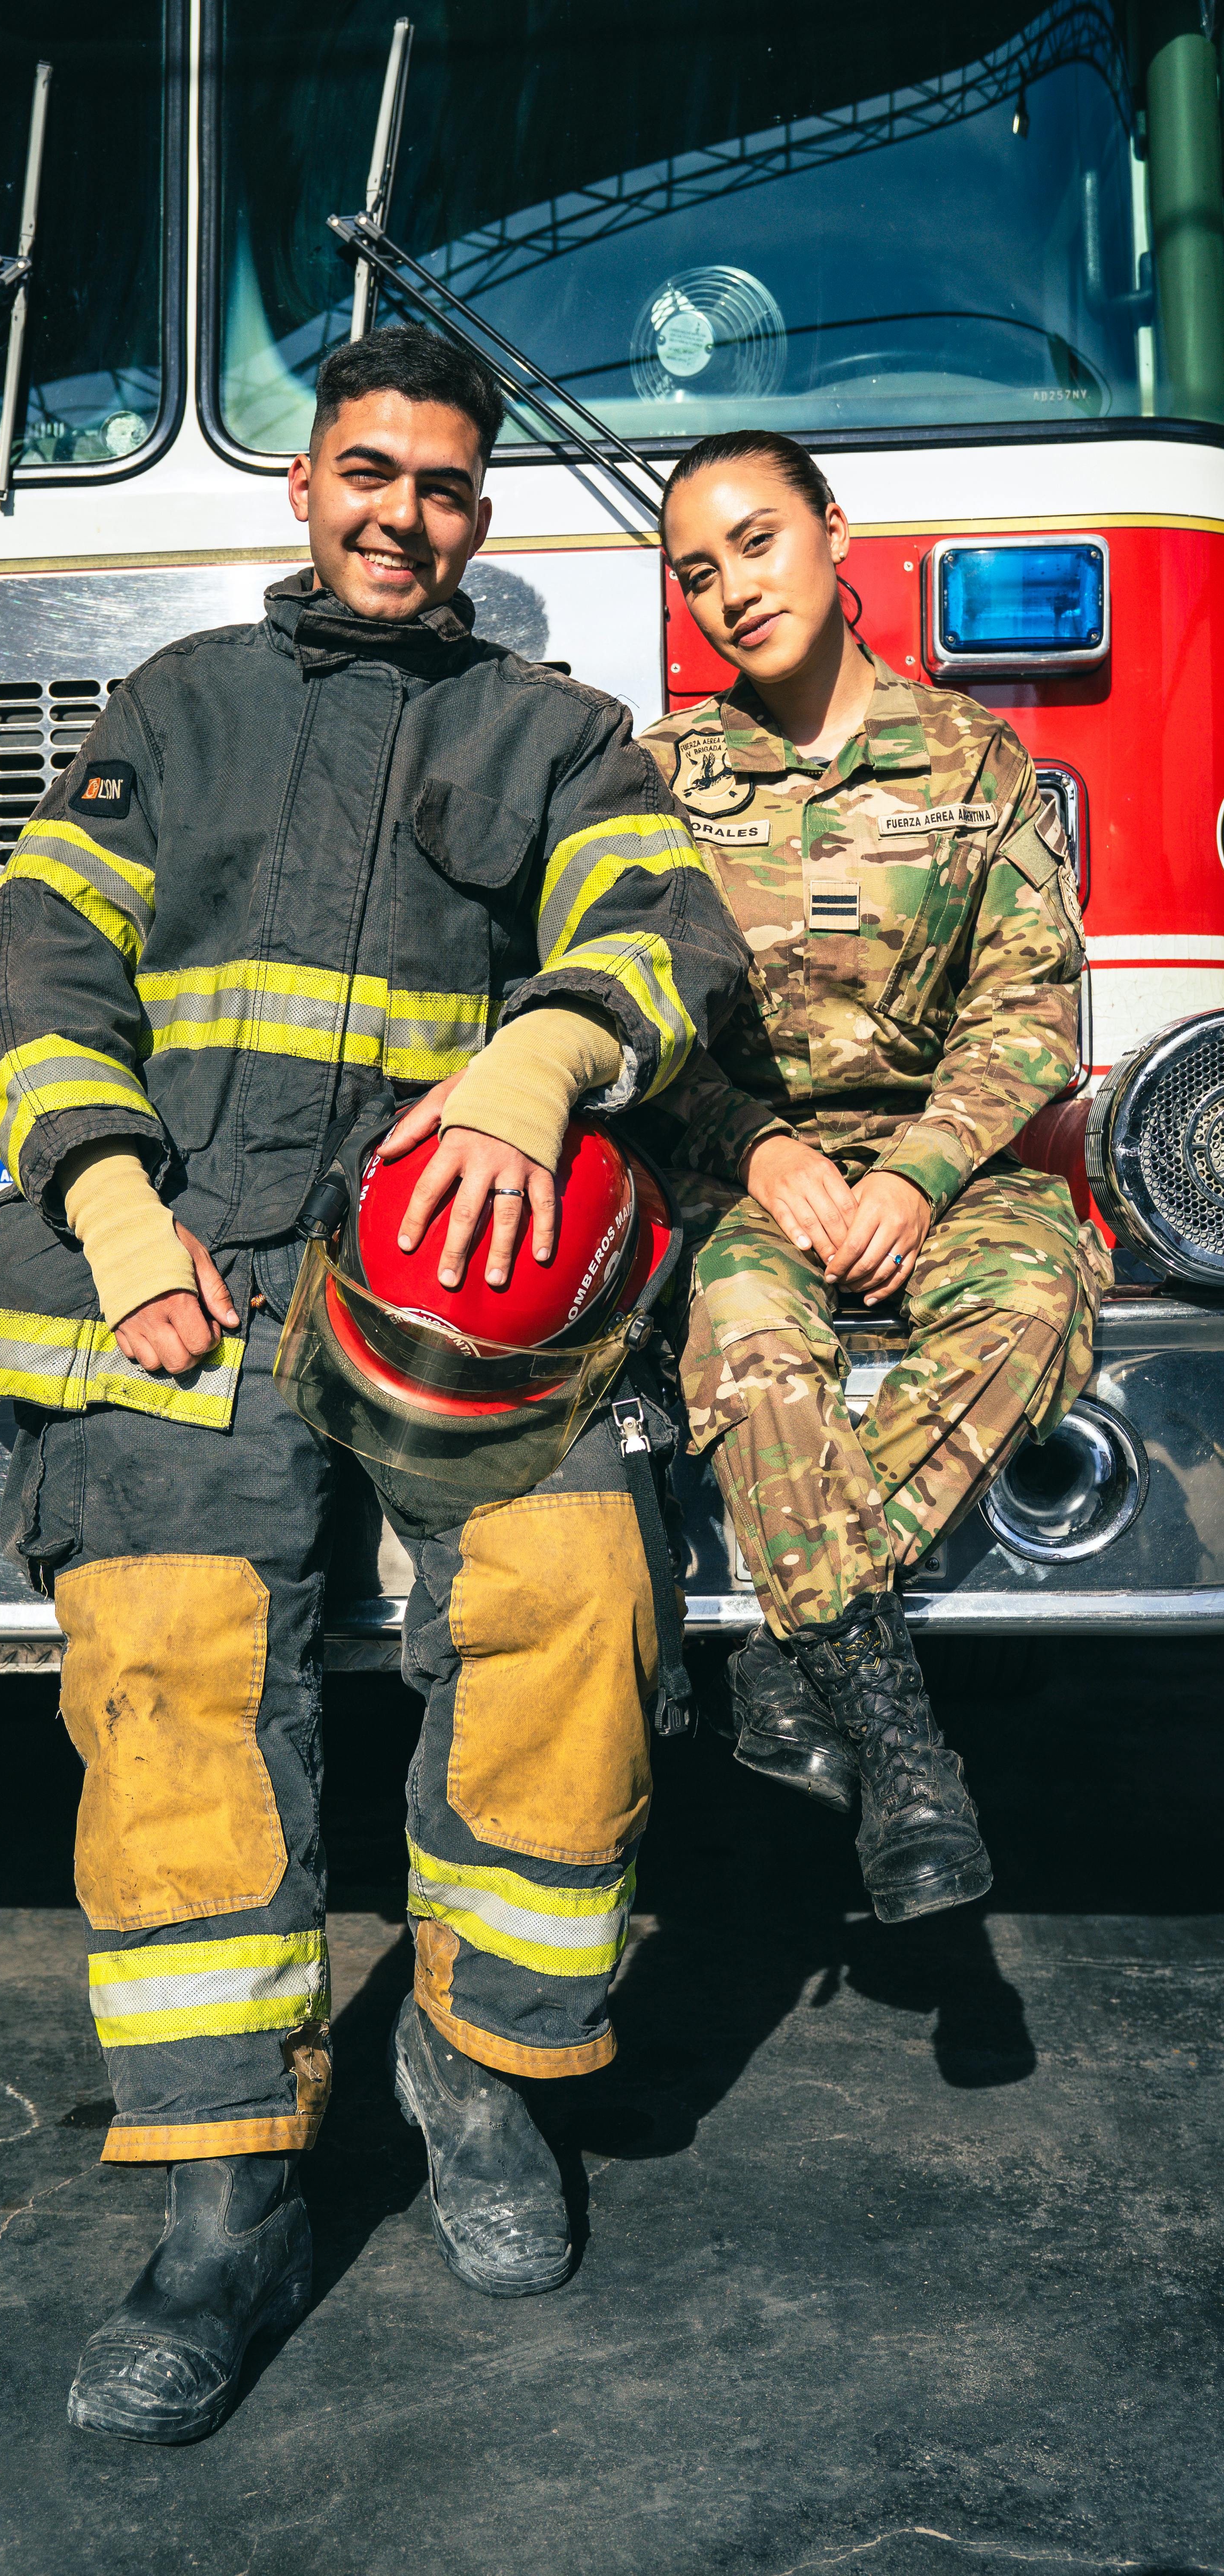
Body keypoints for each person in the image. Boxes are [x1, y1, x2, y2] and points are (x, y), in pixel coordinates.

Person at [0, 326, 746, 2443]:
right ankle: (225, 2198)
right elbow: (36, 968)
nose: (403, 513)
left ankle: (475, 2077)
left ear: (480, 515)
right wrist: (117, 1213)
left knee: (579, 1601)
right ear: (305, 489)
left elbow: (667, 936)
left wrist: (540, 1056)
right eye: (367, 472)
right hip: (184, 1281)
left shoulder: (553, 734)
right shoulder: (171, 713)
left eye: (447, 485)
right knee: (175, 1656)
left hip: (456, 1301)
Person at [637, 431, 1112, 1927]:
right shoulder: (658, 779)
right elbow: (635, 1015)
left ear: (837, 533)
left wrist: (916, 1174)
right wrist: (764, 1152)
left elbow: (1031, 1014)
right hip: (746, 1173)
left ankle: (792, 1650)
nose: (732, 592)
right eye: (698, 572)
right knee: (756, 1344)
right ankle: (909, 1763)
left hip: (948, 1165)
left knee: (1041, 1291)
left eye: (759, 543)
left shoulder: (976, 764)